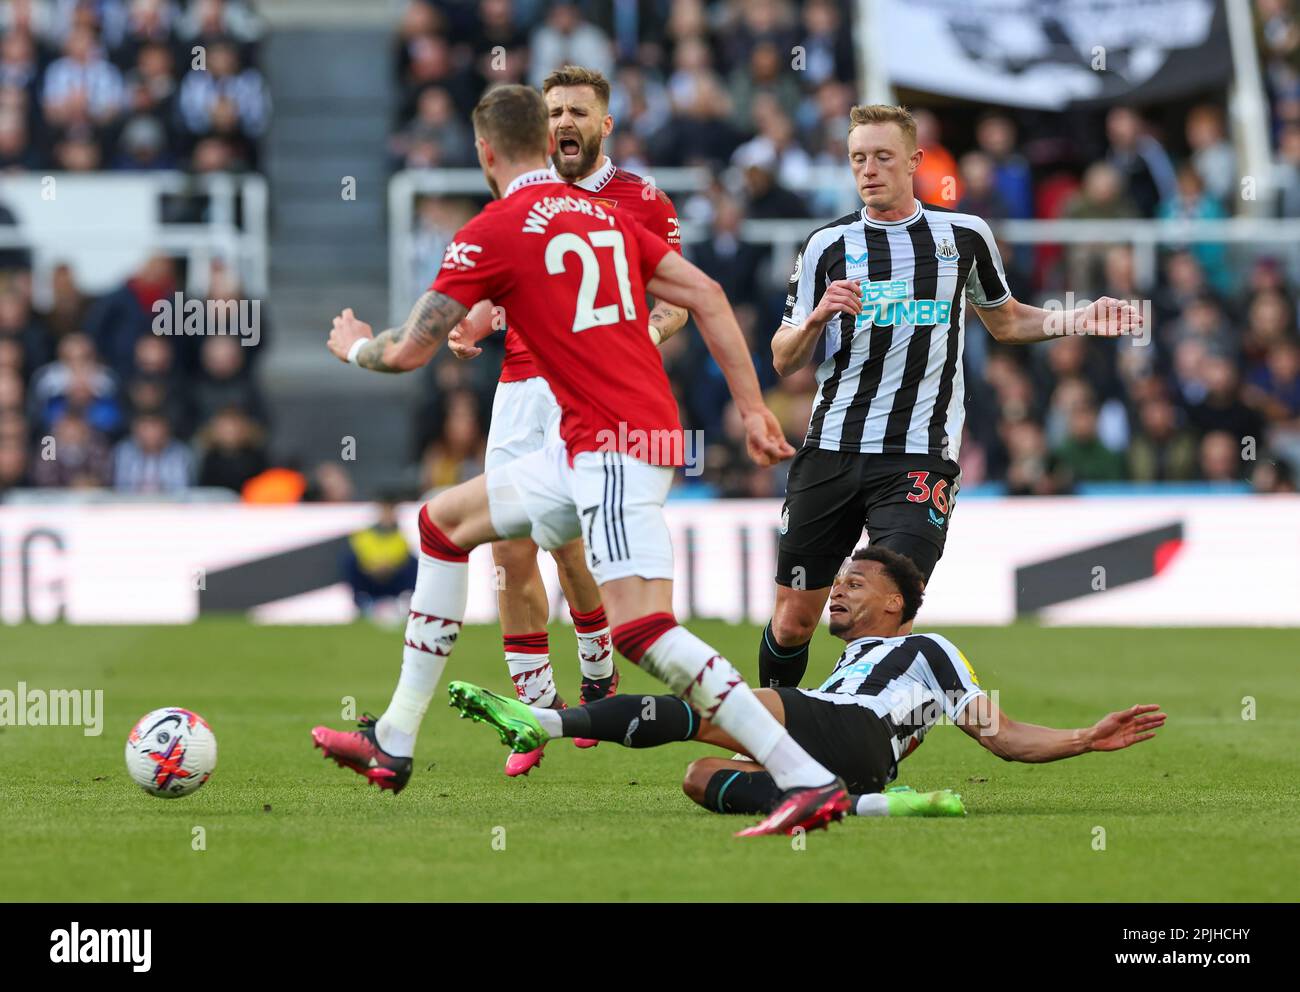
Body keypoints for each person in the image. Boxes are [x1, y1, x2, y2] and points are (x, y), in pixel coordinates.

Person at [313, 84, 848, 838]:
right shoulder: (604, 215)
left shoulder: (493, 228)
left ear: (486, 152)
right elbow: (707, 294)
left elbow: (407, 351)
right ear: (543, 137)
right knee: (442, 523)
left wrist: (354, 347)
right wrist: (753, 407)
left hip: (616, 443)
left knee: (643, 631)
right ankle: (393, 740)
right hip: (600, 441)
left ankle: (804, 777)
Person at [758, 104, 1143, 691]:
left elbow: (1006, 322)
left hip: (920, 457)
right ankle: (773, 742)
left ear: (914, 161)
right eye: (858, 158)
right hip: (831, 449)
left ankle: (855, 744)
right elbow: (784, 358)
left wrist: (1080, 317)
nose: (869, 170)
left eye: (883, 157)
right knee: (793, 621)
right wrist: (816, 318)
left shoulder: (963, 237)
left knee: (884, 612)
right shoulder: (826, 246)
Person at [448, 547, 1165, 819]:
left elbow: (1000, 735)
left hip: (851, 731)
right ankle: (872, 809)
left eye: (856, 583)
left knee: (721, 704)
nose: (839, 593)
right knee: (699, 777)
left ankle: (543, 723)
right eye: (838, 582)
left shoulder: (931, 649)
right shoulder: (846, 666)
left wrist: (1081, 738)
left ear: (895, 605)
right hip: (848, 755)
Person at [443, 65, 688, 777]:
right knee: (506, 552)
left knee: (570, 550)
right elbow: (504, 284)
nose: (564, 124)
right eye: (553, 113)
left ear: (605, 124)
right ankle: (531, 714)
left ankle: (597, 670)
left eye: (579, 112)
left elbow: (675, 300)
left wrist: (639, 337)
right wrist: (478, 319)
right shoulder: (526, 199)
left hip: (598, 391)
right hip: (522, 386)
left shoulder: (642, 201)